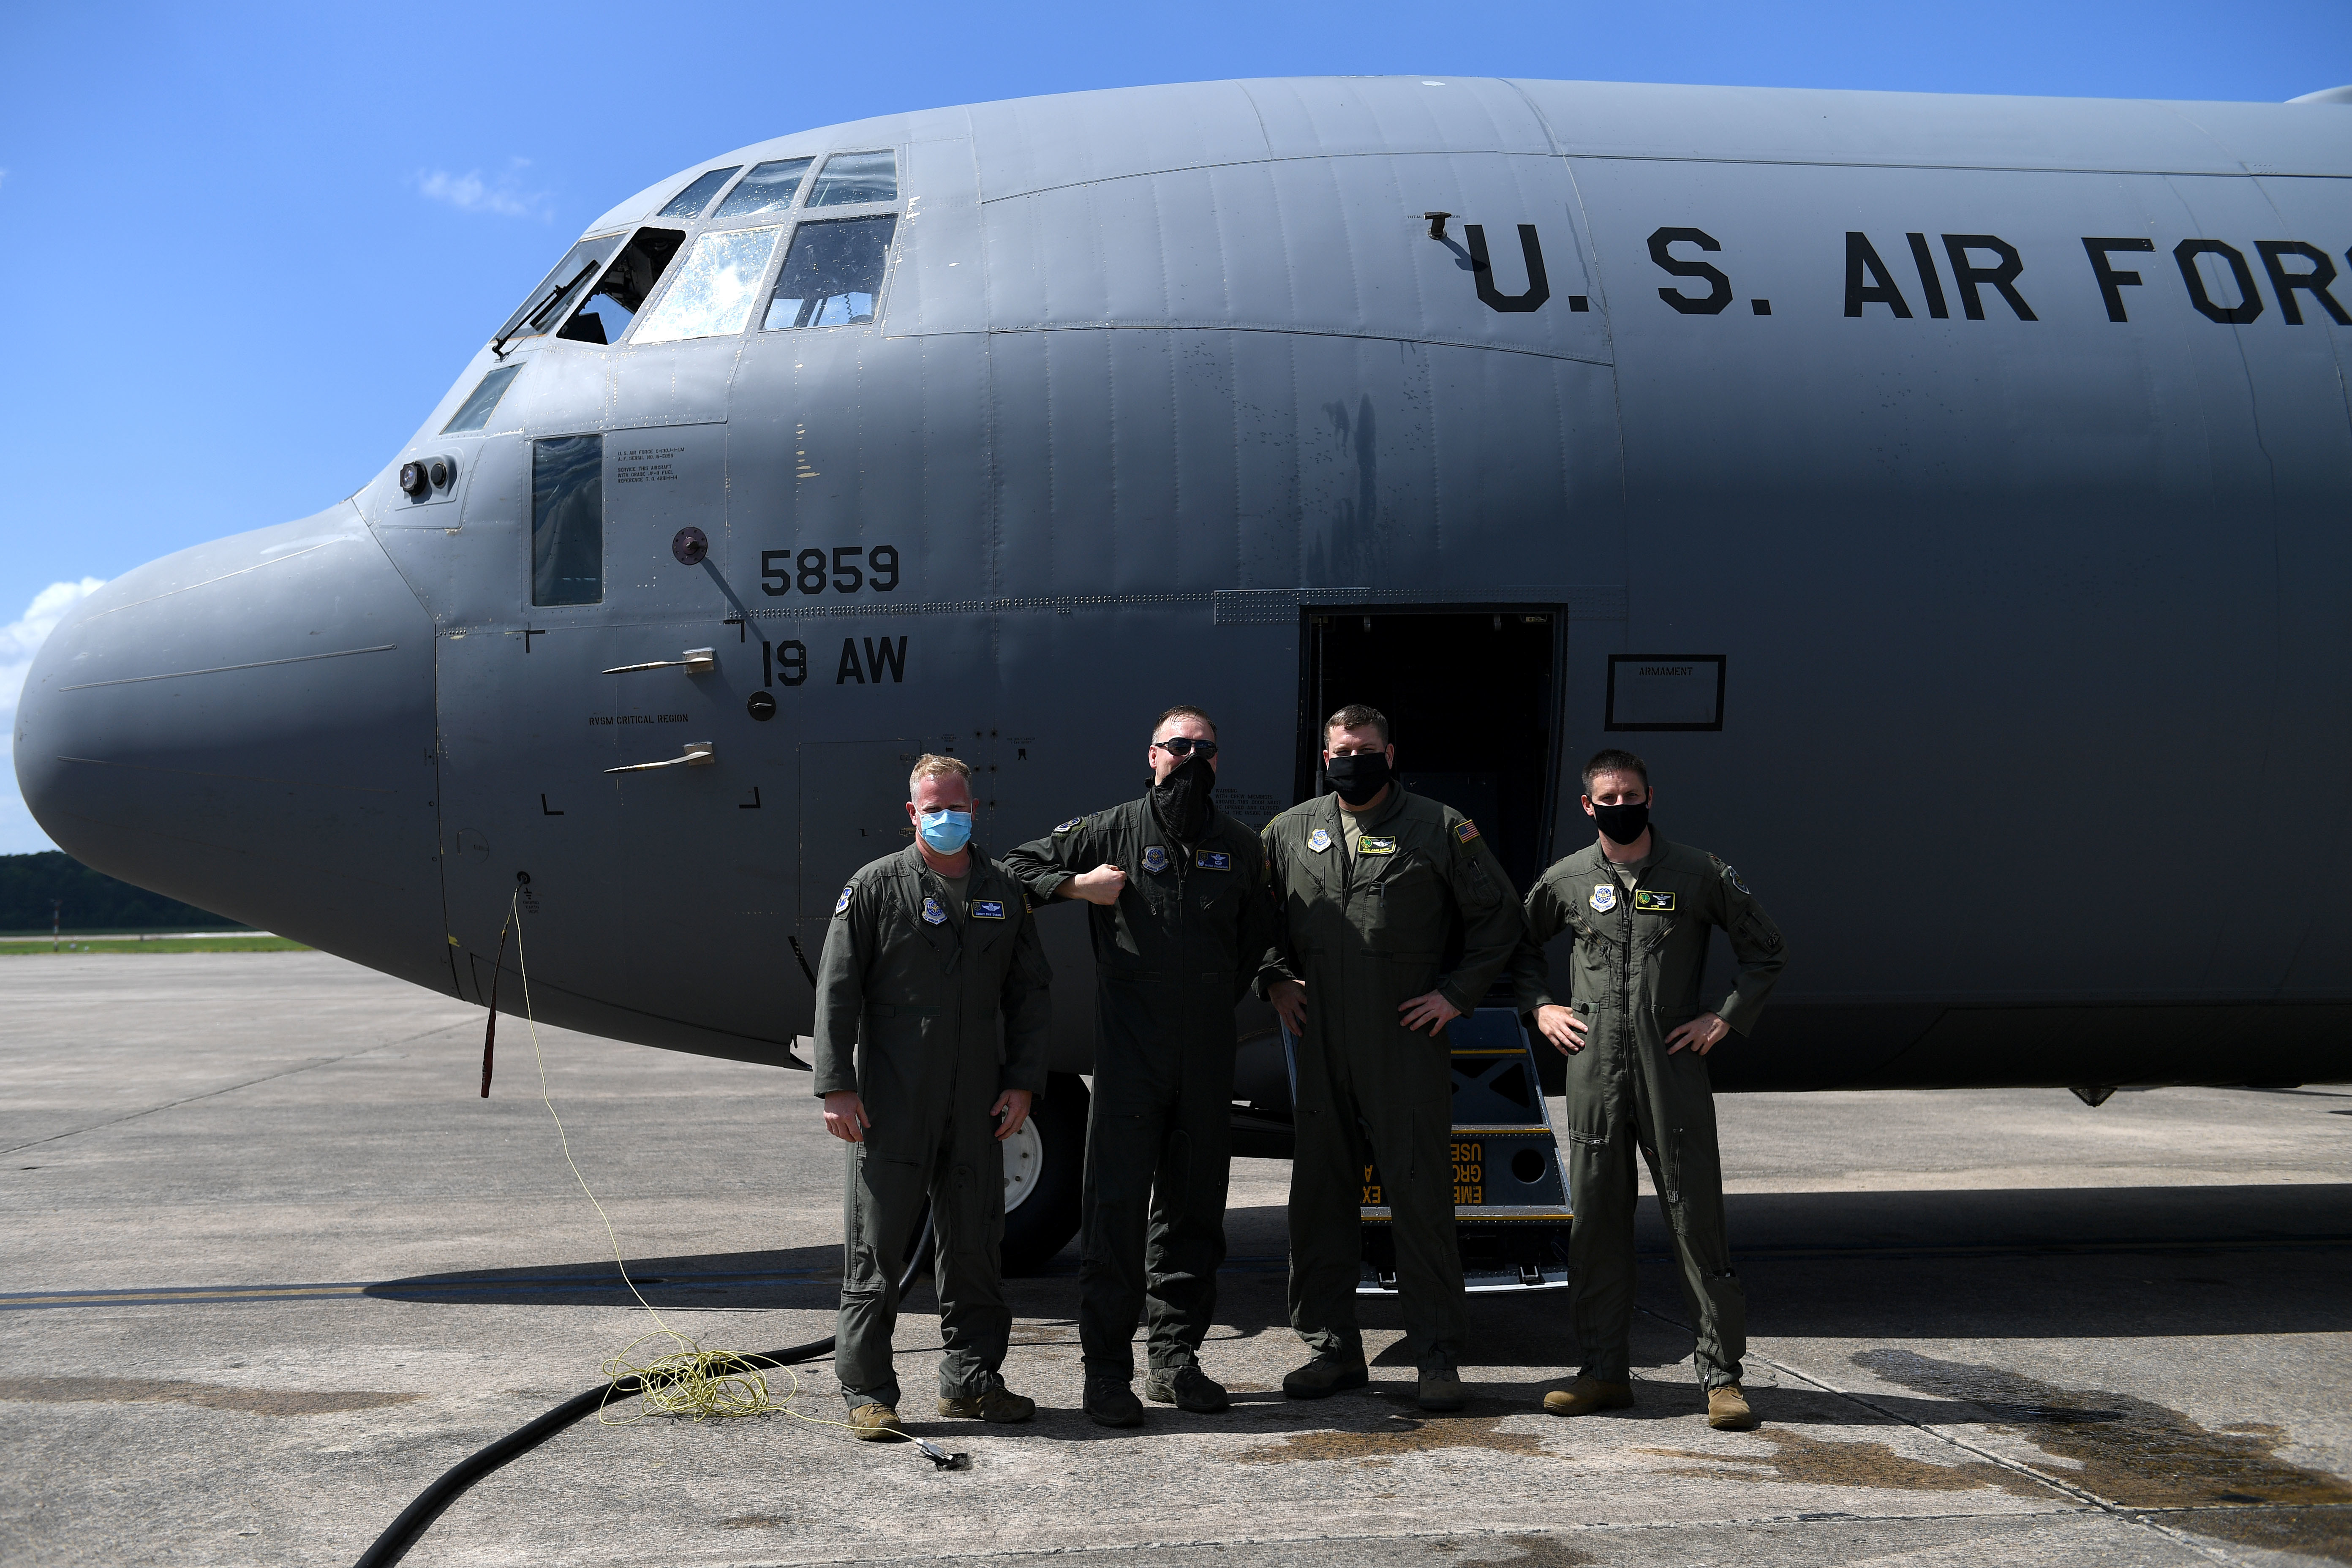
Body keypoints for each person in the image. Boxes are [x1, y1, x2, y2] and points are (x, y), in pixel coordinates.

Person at [1002, 705, 1280, 1427]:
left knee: (1193, 1214)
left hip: (1206, 1053)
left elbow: (1258, 934)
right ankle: (1107, 1375)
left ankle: (1177, 1361)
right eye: (1177, 746)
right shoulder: (1112, 828)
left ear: (1217, 762)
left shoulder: (1242, 846)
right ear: (1151, 755)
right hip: (1130, 1056)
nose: (1190, 757)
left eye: (1203, 748)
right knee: (1115, 1215)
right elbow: (1016, 868)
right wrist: (1077, 887)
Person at [1257, 704, 1525, 1412]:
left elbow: (1501, 920)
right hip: (1318, 1040)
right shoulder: (1290, 831)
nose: (1353, 761)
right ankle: (1332, 1350)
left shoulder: (1440, 828)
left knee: (1420, 1197)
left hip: (1405, 1040)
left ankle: (1436, 1357)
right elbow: (1250, 918)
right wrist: (1273, 977)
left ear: (1391, 754)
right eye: (1342, 751)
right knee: (1319, 1199)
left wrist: (1457, 996)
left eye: (1366, 749)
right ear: (1325, 757)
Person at [1514, 748, 1786, 1432]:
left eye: (1630, 793)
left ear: (1649, 796)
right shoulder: (1567, 879)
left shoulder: (1696, 872)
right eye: (1607, 797)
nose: (1619, 805)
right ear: (1588, 805)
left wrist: (1724, 1018)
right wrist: (1541, 1007)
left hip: (1672, 1068)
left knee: (1695, 1217)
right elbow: (1514, 946)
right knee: (1596, 1225)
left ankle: (1721, 1378)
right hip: (1594, 1071)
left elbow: (1765, 950)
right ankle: (1603, 1371)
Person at [812, 753, 1053, 1440]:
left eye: (957, 804)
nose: (946, 816)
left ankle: (972, 1383)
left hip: (977, 1101)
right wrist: (837, 1086)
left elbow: (1030, 992)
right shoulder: (877, 886)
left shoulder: (1003, 891)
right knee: (877, 1252)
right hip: (893, 1102)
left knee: (976, 1247)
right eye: (932, 806)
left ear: (975, 809)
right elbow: (837, 989)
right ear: (913, 813)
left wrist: (1023, 1082)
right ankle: (867, 1393)